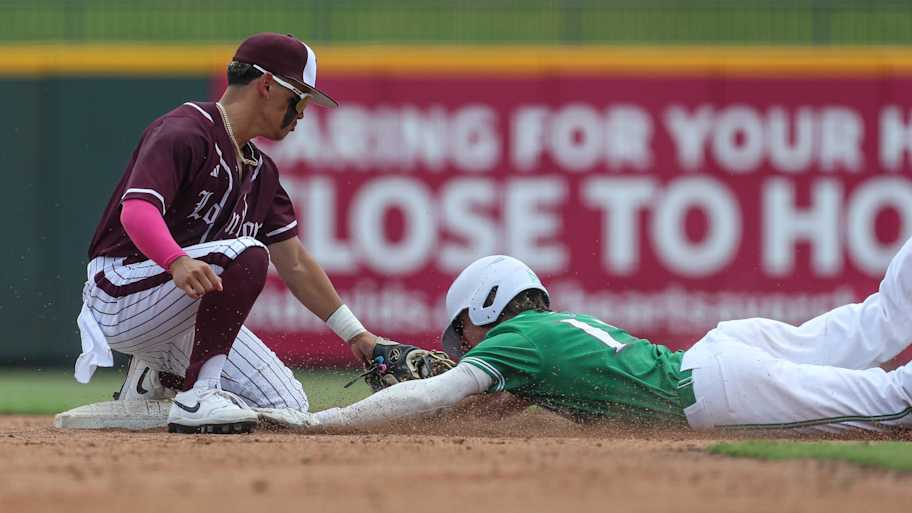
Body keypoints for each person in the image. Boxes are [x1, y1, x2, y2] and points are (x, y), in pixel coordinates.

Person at [286, 239, 912, 434]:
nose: (466, 345)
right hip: (716, 357)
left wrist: (322, 421)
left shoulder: (514, 342)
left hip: (716, 388)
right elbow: (488, 410)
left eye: (465, 331)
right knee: (881, 319)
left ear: (487, 307)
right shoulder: (547, 334)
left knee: (891, 406)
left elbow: (433, 398)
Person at [75, 33, 379, 434]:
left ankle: (159, 379)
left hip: (180, 308)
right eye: (300, 98)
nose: (303, 112)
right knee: (246, 251)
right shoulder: (185, 131)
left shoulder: (261, 171)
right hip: (120, 290)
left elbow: (296, 264)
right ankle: (198, 393)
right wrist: (176, 259)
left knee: (287, 407)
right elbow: (137, 210)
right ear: (267, 85)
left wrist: (356, 335)